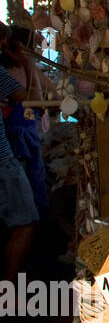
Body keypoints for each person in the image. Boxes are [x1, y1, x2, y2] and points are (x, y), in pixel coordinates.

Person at [1, 24, 49, 213]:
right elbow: (36, 102)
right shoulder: (6, 76)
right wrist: (29, 65)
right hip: (14, 149)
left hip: (20, 145)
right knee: (25, 216)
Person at [0, 65, 38, 281]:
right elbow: (32, 98)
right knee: (24, 222)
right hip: (2, 161)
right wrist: (25, 61)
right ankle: (8, 285)